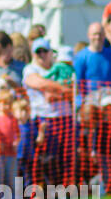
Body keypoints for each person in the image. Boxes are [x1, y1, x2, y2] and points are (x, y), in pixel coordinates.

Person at [23, 38, 74, 190]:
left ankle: (66, 189)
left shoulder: (61, 67)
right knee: (45, 157)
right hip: (44, 120)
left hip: (65, 117)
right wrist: (62, 90)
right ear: (33, 53)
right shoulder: (30, 69)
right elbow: (39, 83)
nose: (41, 55)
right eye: (38, 51)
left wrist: (55, 93)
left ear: (51, 52)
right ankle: (45, 191)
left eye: (44, 51)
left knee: (65, 157)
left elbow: (73, 88)